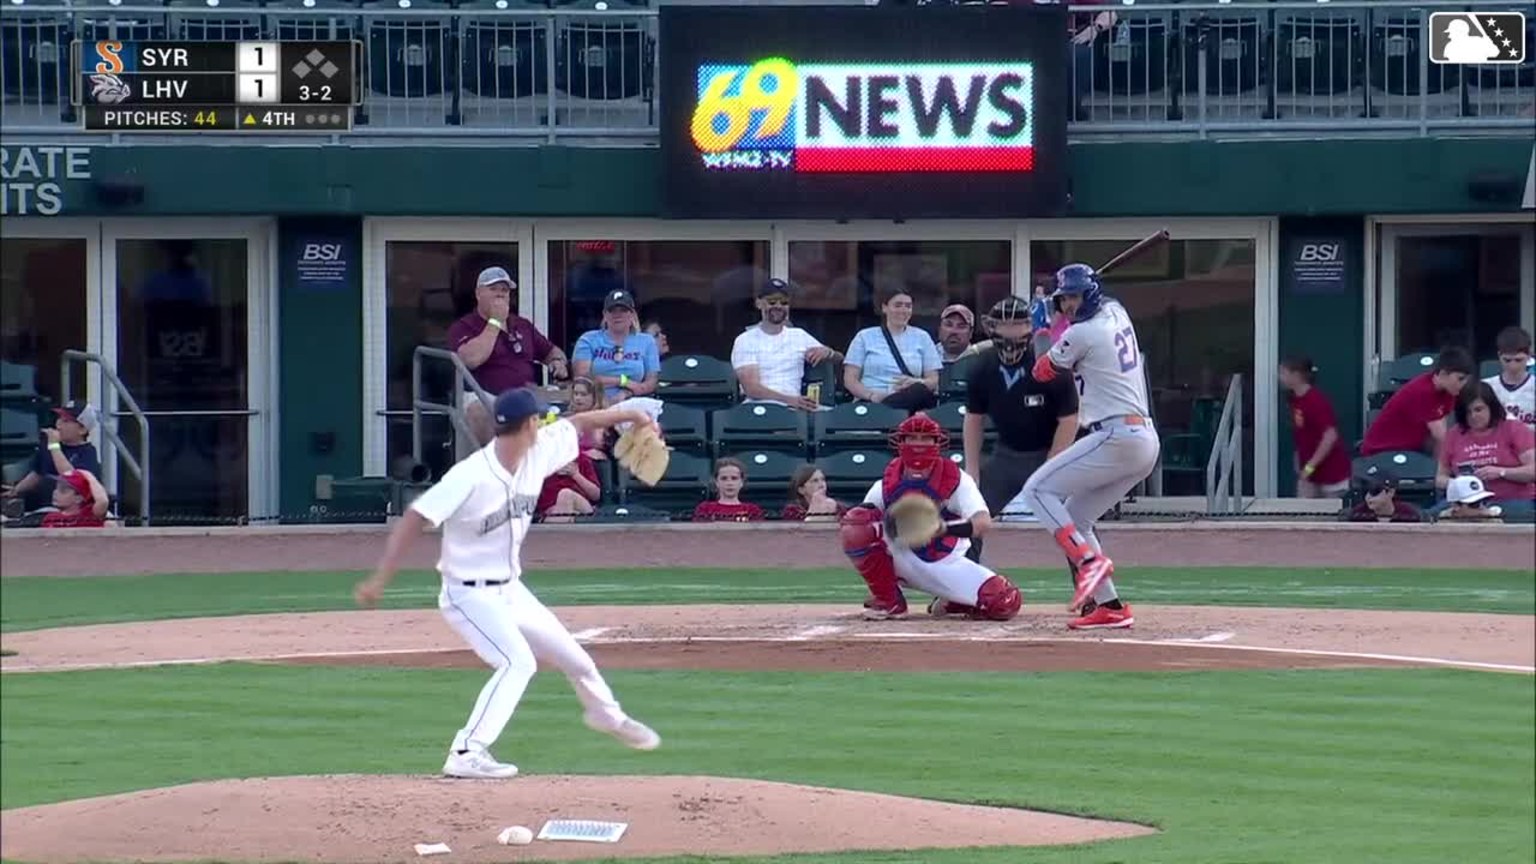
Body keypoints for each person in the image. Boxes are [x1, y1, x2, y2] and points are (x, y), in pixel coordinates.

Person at [353, 389, 663, 780]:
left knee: (578, 661)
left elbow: (581, 423)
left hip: (511, 590)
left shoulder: (540, 449)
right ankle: (466, 751)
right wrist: (379, 579)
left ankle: (607, 715)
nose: (545, 424)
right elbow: (415, 517)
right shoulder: (471, 475)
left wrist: (633, 414)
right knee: (518, 661)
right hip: (468, 594)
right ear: (530, 424)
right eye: (539, 419)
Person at [1022, 263, 1159, 631]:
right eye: (1063, 299)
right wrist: (1061, 311)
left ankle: (1087, 562)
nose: (1068, 305)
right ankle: (1111, 605)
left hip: (1117, 436)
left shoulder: (1082, 333)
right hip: (1142, 440)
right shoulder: (1117, 312)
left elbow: (1041, 371)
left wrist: (1042, 328)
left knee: (1035, 491)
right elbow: (1099, 306)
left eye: (1073, 297)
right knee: (1078, 516)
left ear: (1089, 294)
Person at [839, 412, 1023, 621]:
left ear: (937, 442)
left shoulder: (955, 479)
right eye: (912, 438)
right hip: (902, 554)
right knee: (857, 522)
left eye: (925, 438)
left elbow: (982, 522)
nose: (919, 444)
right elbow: (860, 523)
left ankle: (953, 600)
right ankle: (888, 600)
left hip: (944, 559)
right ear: (901, 442)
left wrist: (941, 528)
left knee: (1004, 601)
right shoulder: (887, 482)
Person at [961, 297, 1080, 567]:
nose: (1010, 331)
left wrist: (1053, 464)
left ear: (1029, 326)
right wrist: (972, 469)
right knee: (969, 515)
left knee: (1073, 521)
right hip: (1007, 456)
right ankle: (961, 586)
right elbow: (973, 418)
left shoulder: (1050, 363)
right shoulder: (982, 367)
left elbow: (1070, 418)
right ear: (991, 327)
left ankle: (1092, 591)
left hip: (1048, 453)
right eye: (1004, 324)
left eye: (1017, 323)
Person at [449, 267, 570, 448]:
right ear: (478, 293)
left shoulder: (521, 325)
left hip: (526, 396)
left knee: (569, 414)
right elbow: (470, 360)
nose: (500, 295)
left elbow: (552, 351)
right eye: (493, 289)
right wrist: (495, 322)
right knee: (478, 410)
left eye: (504, 291)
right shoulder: (464, 325)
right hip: (486, 396)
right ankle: (500, 467)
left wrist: (557, 362)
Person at [730, 278, 839, 411]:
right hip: (759, 407)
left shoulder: (799, 335)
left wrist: (828, 352)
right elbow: (752, 389)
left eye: (784, 302)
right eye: (772, 302)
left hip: (795, 408)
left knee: (842, 420)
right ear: (759, 303)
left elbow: (840, 358)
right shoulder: (745, 340)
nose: (778, 306)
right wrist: (791, 400)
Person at [1435, 381, 1535, 519]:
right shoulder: (1454, 434)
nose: (1473, 416)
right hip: (1464, 504)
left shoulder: (1513, 429)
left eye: (1478, 410)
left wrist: (1501, 472)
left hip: (1509, 499)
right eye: (1467, 412)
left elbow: (1532, 471)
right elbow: (1440, 478)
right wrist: (1458, 483)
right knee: (1430, 516)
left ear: (1491, 407)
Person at [1359, 347, 1474, 457]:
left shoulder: (1448, 391)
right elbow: (1440, 436)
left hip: (1410, 450)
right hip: (1381, 452)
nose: (1464, 384)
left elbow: (1439, 437)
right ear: (1443, 373)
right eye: (1460, 379)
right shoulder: (1423, 391)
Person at [842, 290, 942, 411]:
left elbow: (933, 380)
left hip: (910, 399)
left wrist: (917, 381)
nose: (903, 310)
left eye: (908, 306)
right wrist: (872, 396)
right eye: (898, 305)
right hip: (871, 399)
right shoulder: (864, 336)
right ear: (885, 308)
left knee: (919, 390)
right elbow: (850, 380)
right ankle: (885, 410)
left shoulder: (923, 337)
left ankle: (885, 411)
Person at [1, 400, 102, 514]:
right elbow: (37, 473)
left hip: (72, 512)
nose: (58, 425)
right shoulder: (48, 447)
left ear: (82, 429)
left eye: (66, 421)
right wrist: (16, 490)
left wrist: (54, 446)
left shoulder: (87, 453)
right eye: (59, 419)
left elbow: (72, 479)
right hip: (41, 507)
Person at [571, 290, 661, 403]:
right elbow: (583, 379)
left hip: (633, 403)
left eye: (623, 310)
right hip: (595, 404)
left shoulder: (647, 341)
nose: (617, 315)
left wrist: (627, 393)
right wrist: (622, 381)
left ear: (632, 314)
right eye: (612, 310)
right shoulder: (588, 339)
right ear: (604, 314)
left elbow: (651, 382)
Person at [1279, 357, 1351, 498]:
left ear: (1296, 375)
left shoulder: (1315, 400)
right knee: (1304, 513)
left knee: (1331, 516)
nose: (1280, 377)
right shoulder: (1295, 400)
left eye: (1283, 373)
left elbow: (1330, 436)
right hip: (1309, 476)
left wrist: (1310, 467)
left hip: (1332, 475)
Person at [1484, 326, 1534, 428]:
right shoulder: (1486, 387)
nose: (1513, 366)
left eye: (1518, 360)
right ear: (1499, 356)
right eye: (1507, 360)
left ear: (1529, 355)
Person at [691, 458, 765, 522]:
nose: (729, 483)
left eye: (734, 478)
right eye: (724, 478)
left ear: (742, 482)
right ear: (716, 482)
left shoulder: (752, 510)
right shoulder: (704, 509)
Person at [1342, 468, 1422, 523]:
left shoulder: (1409, 515)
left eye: (1374, 491)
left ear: (1390, 492)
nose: (1368, 496)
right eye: (1365, 490)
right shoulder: (1357, 515)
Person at [40, 469, 109, 528]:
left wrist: (88, 476)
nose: (55, 493)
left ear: (78, 498)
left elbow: (103, 501)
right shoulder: (50, 518)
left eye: (63, 490)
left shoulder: (89, 514)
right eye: (56, 488)